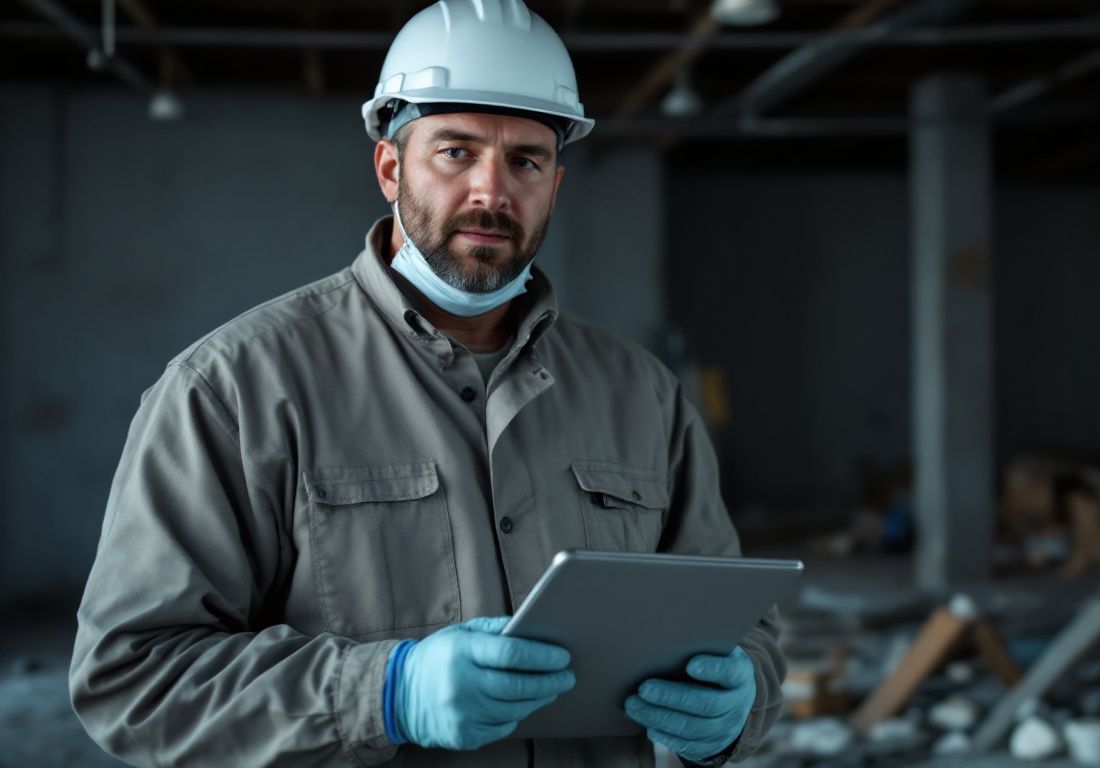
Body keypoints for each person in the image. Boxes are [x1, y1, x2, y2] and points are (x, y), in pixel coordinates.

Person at [67, 1, 784, 766]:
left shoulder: (642, 393)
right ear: (389, 168)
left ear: (555, 181)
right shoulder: (233, 389)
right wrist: (384, 692)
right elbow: (130, 679)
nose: (491, 192)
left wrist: (742, 701)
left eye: (526, 160)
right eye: (455, 151)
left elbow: (738, 624)